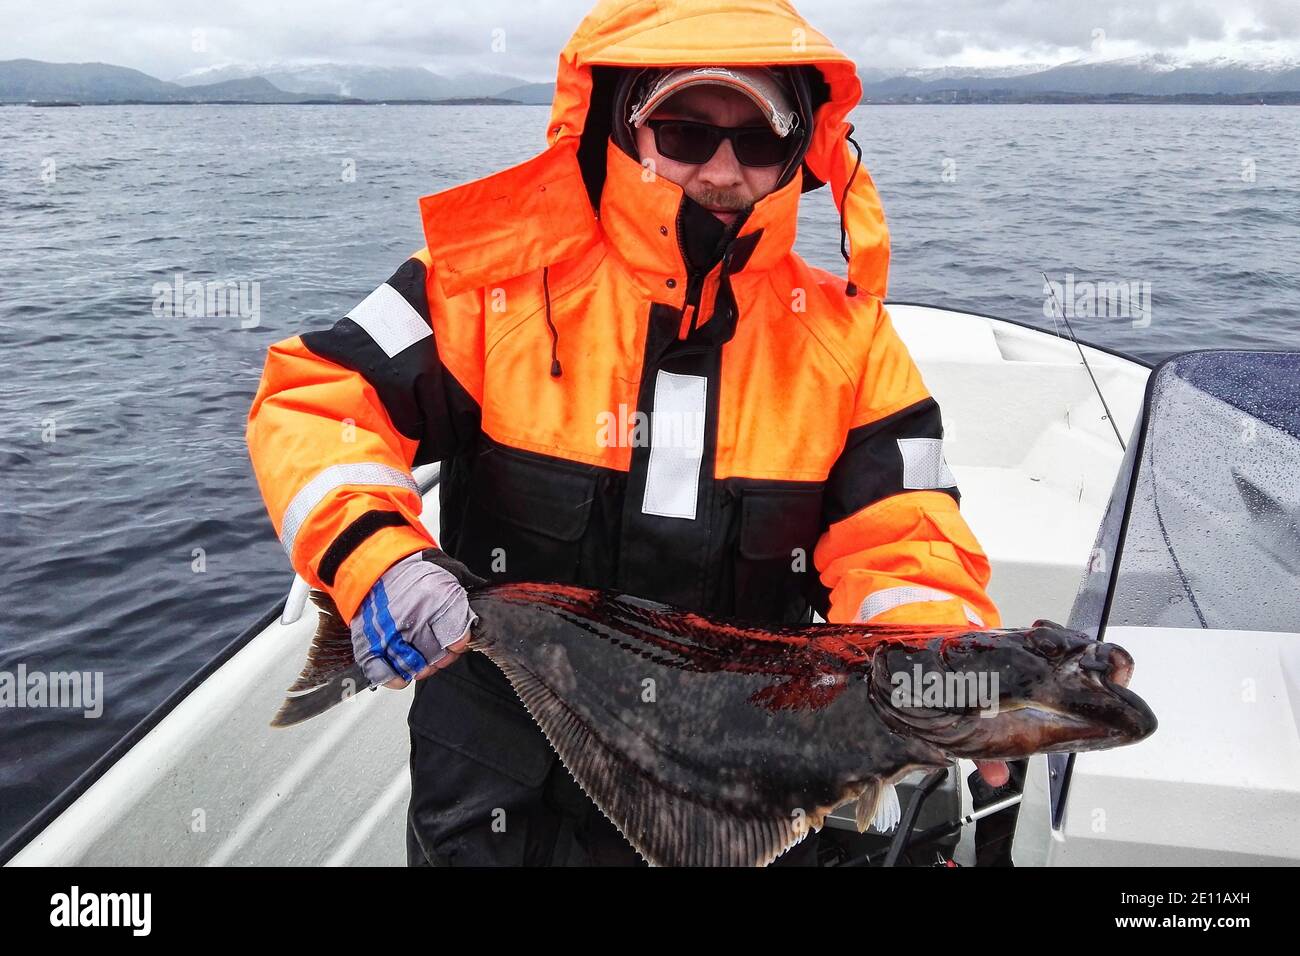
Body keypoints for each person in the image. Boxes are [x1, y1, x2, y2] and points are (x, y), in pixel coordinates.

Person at [245, 0, 1006, 867]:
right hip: (502, 769)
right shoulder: (490, 287)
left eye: (758, 138)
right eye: (684, 132)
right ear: (622, 127)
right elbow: (320, 397)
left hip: (741, 769)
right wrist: (381, 560)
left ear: (801, 152)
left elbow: (903, 541)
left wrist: (941, 672)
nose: (721, 170)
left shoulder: (850, 343)